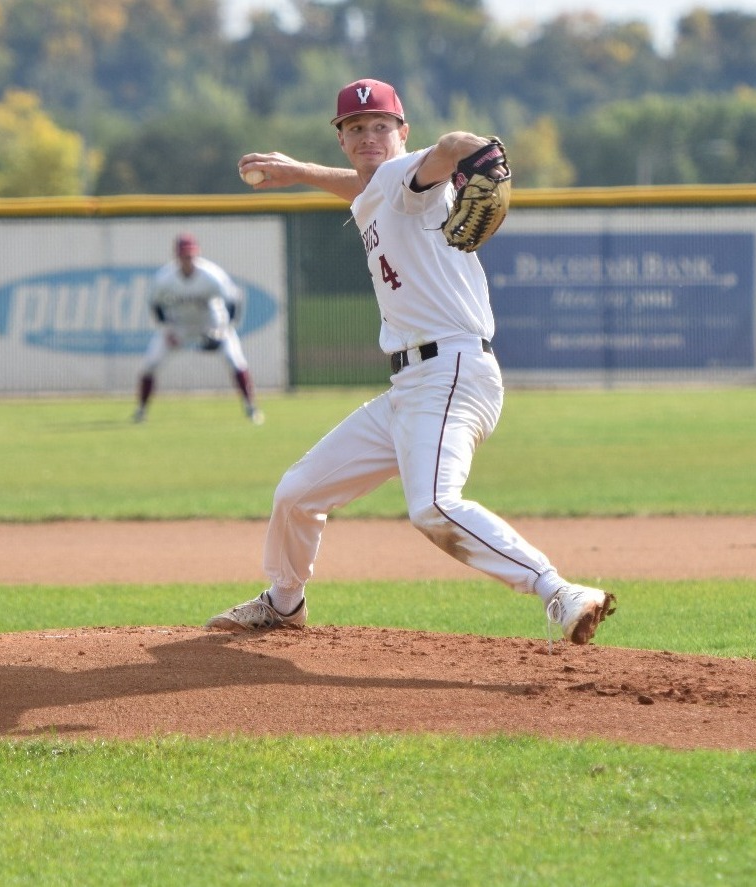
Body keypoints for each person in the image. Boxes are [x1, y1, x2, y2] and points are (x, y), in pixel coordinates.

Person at [210, 78, 616, 645]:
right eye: (355, 128)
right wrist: (299, 171)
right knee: (297, 494)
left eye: (381, 125)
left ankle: (558, 591)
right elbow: (360, 185)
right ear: (343, 140)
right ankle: (284, 602)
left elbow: (449, 147)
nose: (368, 135)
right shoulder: (377, 189)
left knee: (432, 506)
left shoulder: (411, 179)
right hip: (411, 386)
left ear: (403, 132)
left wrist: (480, 153)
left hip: (450, 371)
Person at [133, 233, 263, 425]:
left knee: (235, 361)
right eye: (185, 255)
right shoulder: (165, 278)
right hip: (179, 326)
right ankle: (141, 411)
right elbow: (155, 304)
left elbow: (233, 299)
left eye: (191, 255)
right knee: (150, 364)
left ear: (197, 254)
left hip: (211, 323)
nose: (189, 259)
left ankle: (251, 408)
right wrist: (167, 329)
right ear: (177, 256)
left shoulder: (211, 275)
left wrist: (225, 328)